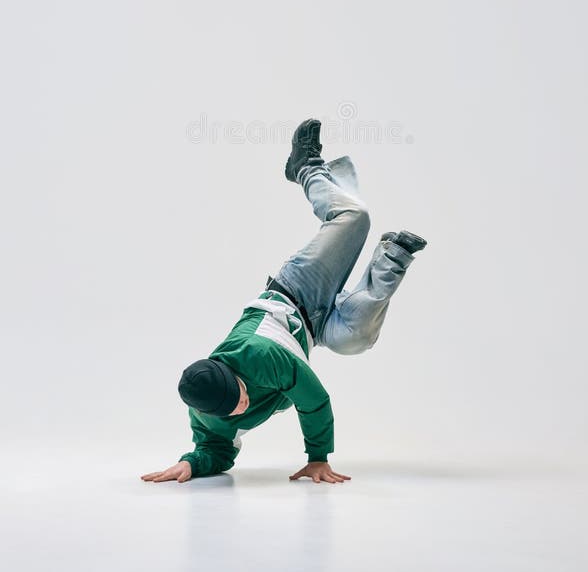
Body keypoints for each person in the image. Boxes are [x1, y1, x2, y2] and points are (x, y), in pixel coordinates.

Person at [141, 118, 427, 486]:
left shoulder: (259, 354)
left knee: (354, 217)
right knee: (356, 339)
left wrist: (318, 458)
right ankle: (395, 254)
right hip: (313, 331)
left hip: (296, 291)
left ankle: (306, 168)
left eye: (239, 395)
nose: (242, 406)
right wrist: (193, 463)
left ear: (232, 373)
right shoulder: (210, 417)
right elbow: (217, 451)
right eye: (233, 409)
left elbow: (314, 401)